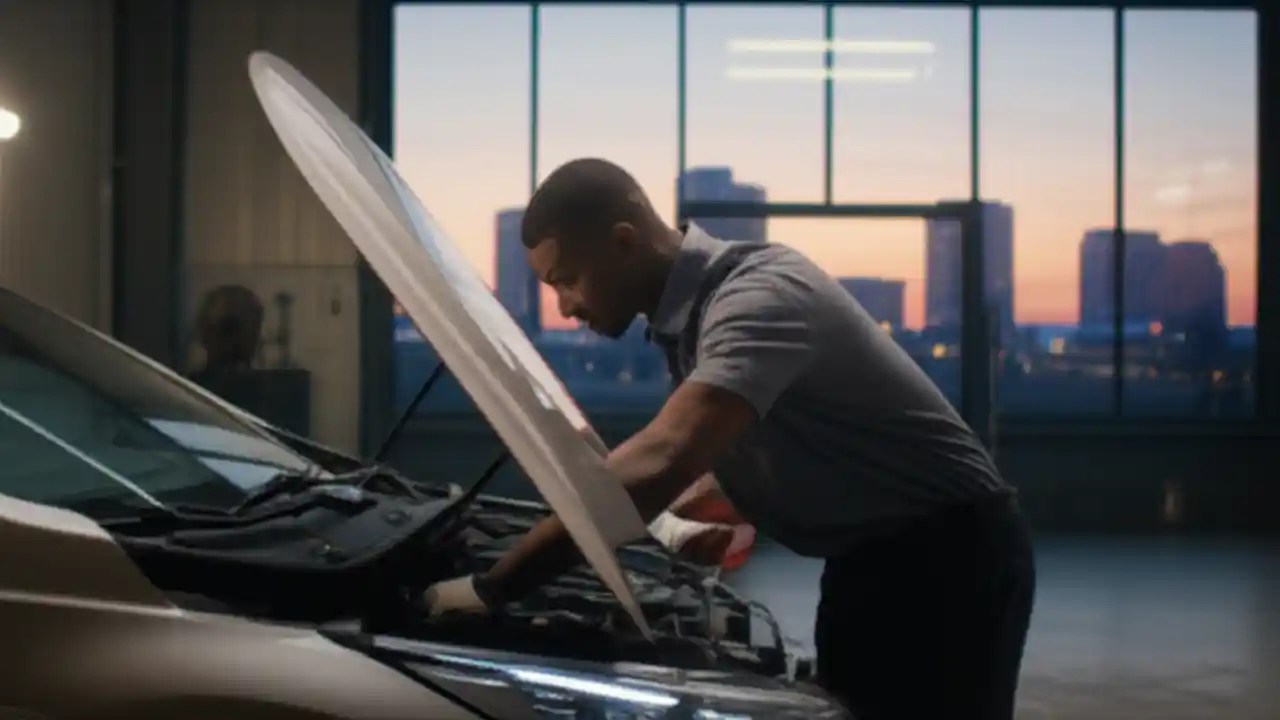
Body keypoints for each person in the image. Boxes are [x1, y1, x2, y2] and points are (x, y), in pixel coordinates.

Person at [422, 157, 1036, 719]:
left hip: (952, 562)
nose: (566, 306)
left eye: (569, 280)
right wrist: (682, 520)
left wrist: (492, 586)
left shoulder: (757, 297)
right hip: (872, 560)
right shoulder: (693, 319)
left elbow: (666, 453)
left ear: (624, 242)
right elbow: (736, 452)